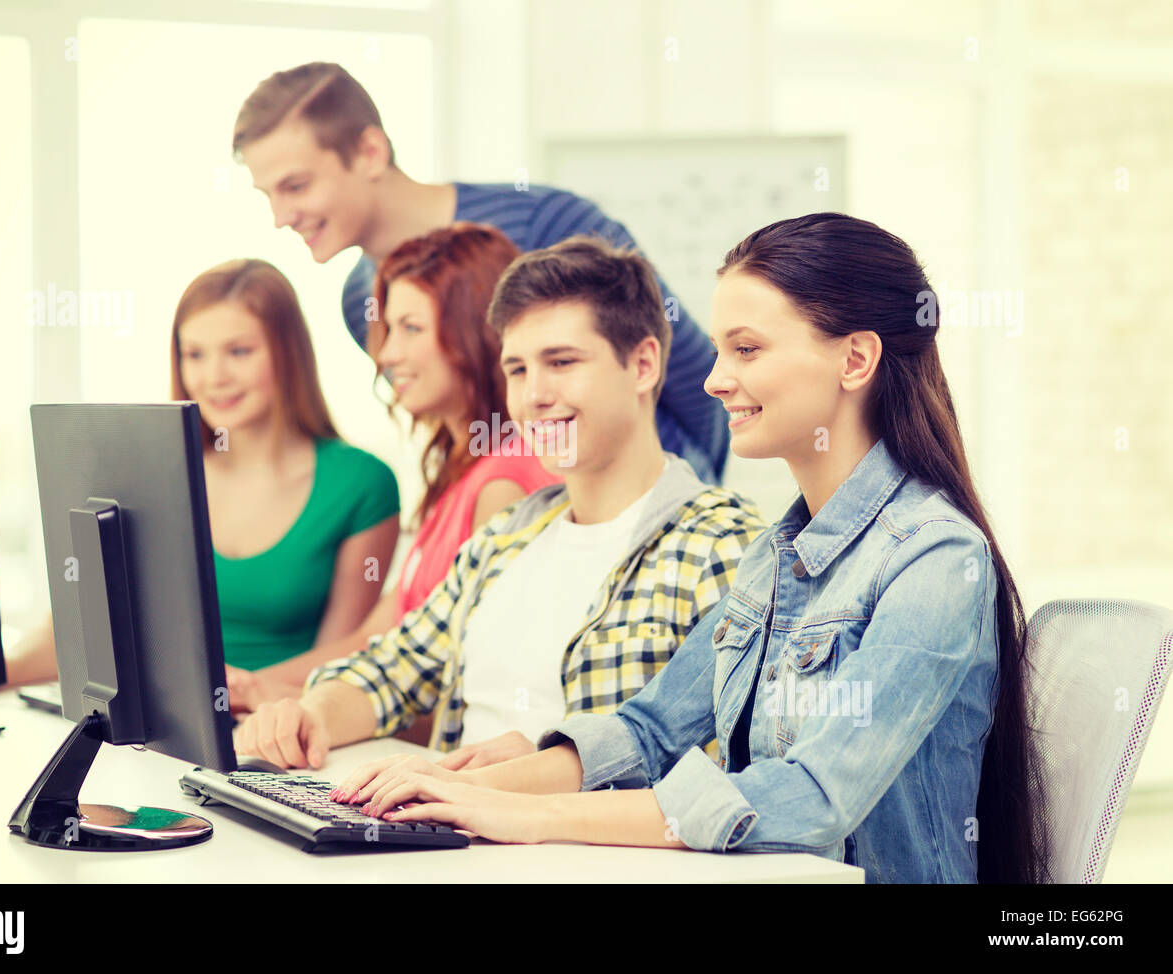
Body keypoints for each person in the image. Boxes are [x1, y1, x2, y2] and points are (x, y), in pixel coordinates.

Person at [331, 213, 1050, 885]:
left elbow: (811, 795)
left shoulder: (935, 560)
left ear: (855, 358)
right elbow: (646, 731)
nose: (713, 380)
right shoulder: (779, 555)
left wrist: (521, 816)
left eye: (747, 349)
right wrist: (460, 787)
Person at [233, 235, 766, 771]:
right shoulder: (506, 537)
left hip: (578, 847)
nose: (533, 394)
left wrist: (540, 769)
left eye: (561, 362)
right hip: (446, 837)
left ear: (643, 364)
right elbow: (392, 669)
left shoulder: (720, 542)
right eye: (517, 369)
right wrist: (312, 715)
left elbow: (736, 768)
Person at [230, 61, 730, 482]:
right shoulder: (358, 303)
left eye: (295, 186)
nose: (280, 217)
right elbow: (461, 439)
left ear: (369, 153)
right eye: (268, 195)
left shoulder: (548, 223)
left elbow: (695, 385)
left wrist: (681, 502)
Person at [0, 259, 401, 701]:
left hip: (277, 731)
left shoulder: (362, 483)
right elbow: (77, 630)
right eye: (194, 354)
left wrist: (227, 692)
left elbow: (343, 657)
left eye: (238, 351)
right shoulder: (148, 474)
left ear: (288, 353)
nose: (213, 376)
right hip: (159, 732)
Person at [226, 223, 560, 714]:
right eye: (389, 329)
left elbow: (457, 685)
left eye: (411, 328)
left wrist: (286, 701)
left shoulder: (506, 482)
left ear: (474, 329)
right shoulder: (464, 470)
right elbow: (376, 639)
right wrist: (244, 687)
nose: (386, 354)